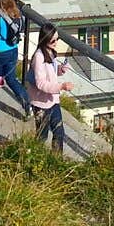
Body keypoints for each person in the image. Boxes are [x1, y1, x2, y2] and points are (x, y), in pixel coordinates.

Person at [28, 22, 72, 153]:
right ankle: (37, 157)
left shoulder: (50, 52)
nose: (56, 42)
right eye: (53, 40)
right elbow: (41, 83)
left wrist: (60, 70)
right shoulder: (39, 57)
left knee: (59, 133)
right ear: (45, 39)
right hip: (41, 103)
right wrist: (61, 86)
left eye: (57, 39)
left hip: (52, 100)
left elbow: (50, 73)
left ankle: (56, 160)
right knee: (42, 135)